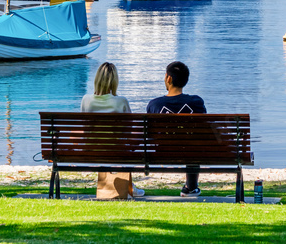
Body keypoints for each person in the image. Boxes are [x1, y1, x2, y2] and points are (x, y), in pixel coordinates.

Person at [81, 62, 144, 198]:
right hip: (118, 149)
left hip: (92, 149)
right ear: (115, 81)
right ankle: (130, 186)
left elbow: (85, 128)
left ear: (97, 79)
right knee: (135, 135)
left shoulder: (86, 99)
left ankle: (129, 185)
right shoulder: (121, 101)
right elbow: (129, 130)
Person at [147, 61, 206, 197]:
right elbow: (203, 130)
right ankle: (191, 187)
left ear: (168, 78)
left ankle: (190, 187)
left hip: (161, 152)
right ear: (185, 80)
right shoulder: (196, 102)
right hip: (190, 151)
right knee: (193, 145)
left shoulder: (154, 105)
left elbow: (150, 133)